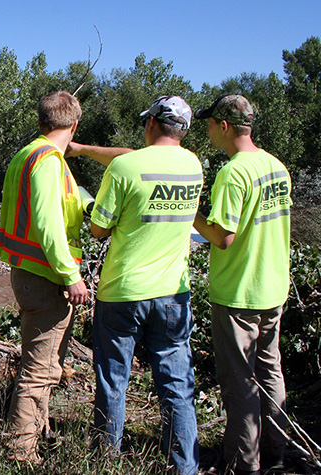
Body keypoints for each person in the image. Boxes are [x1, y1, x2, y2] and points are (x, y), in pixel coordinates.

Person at [68, 95, 202, 475]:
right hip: (174, 295)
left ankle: (105, 460)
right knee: (177, 388)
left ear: (152, 124)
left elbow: (98, 228)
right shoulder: (193, 164)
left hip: (123, 293)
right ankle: (184, 466)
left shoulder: (125, 168)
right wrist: (86, 150)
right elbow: (143, 157)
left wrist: (89, 202)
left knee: (113, 382)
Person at [192, 95, 291, 475]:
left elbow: (222, 237)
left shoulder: (233, 173)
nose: (207, 129)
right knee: (270, 372)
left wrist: (194, 215)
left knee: (239, 382)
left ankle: (243, 463)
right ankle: (277, 454)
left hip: (239, 294)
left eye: (210, 123)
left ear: (225, 126)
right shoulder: (276, 167)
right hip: (273, 287)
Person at [0, 90, 89, 464]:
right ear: (74, 124)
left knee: (43, 364)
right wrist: (71, 276)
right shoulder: (49, 161)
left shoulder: (27, 153)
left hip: (27, 272)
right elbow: (48, 225)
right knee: (40, 370)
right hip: (45, 277)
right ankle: (20, 452)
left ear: (41, 122)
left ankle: (38, 432)